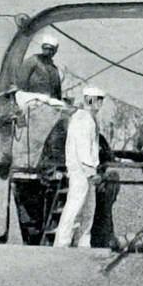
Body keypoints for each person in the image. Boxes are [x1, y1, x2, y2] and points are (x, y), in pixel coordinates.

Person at [55, 86, 105, 247]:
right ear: (90, 100)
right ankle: (62, 243)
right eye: (98, 100)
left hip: (86, 171)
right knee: (75, 207)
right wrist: (91, 172)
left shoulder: (88, 119)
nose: (99, 104)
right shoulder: (83, 120)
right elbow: (83, 150)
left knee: (88, 210)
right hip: (81, 171)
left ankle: (83, 243)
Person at [15, 35, 64, 102]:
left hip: (50, 103)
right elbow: (21, 82)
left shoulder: (54, 70)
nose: (48, 52)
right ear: (42, 48)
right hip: (33, 100)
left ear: (55, 51)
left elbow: (57, 93)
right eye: (46, 48)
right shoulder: (33, 61)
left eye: (51, 49)